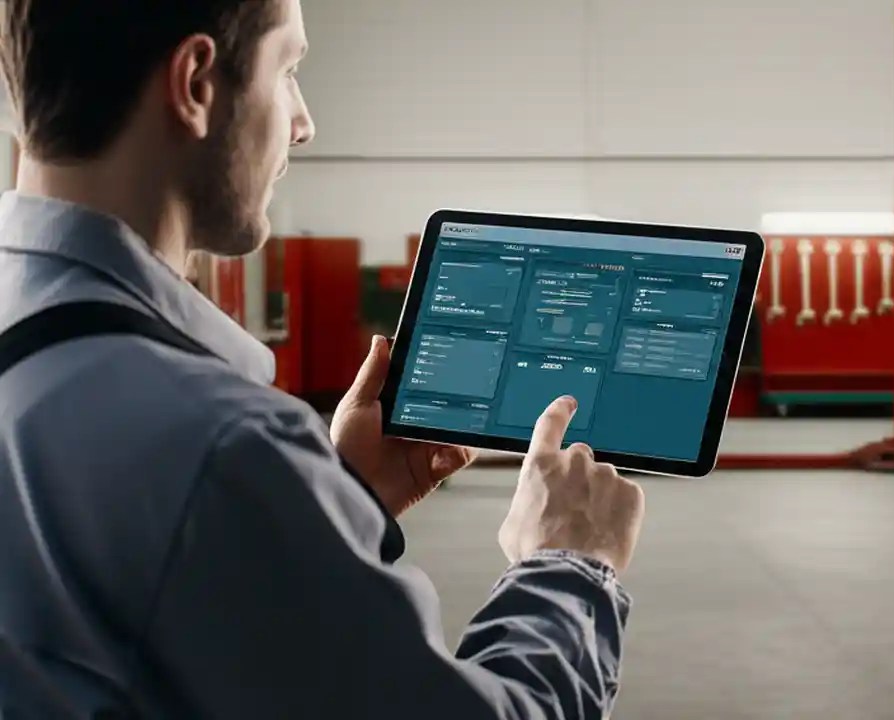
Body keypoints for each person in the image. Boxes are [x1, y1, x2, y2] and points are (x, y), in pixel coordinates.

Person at [0, 1, 645, 718]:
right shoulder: (219, 443)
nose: (303, 124)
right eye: (289, 69)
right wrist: (570, 567)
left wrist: (336, 493)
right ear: (195, 85)